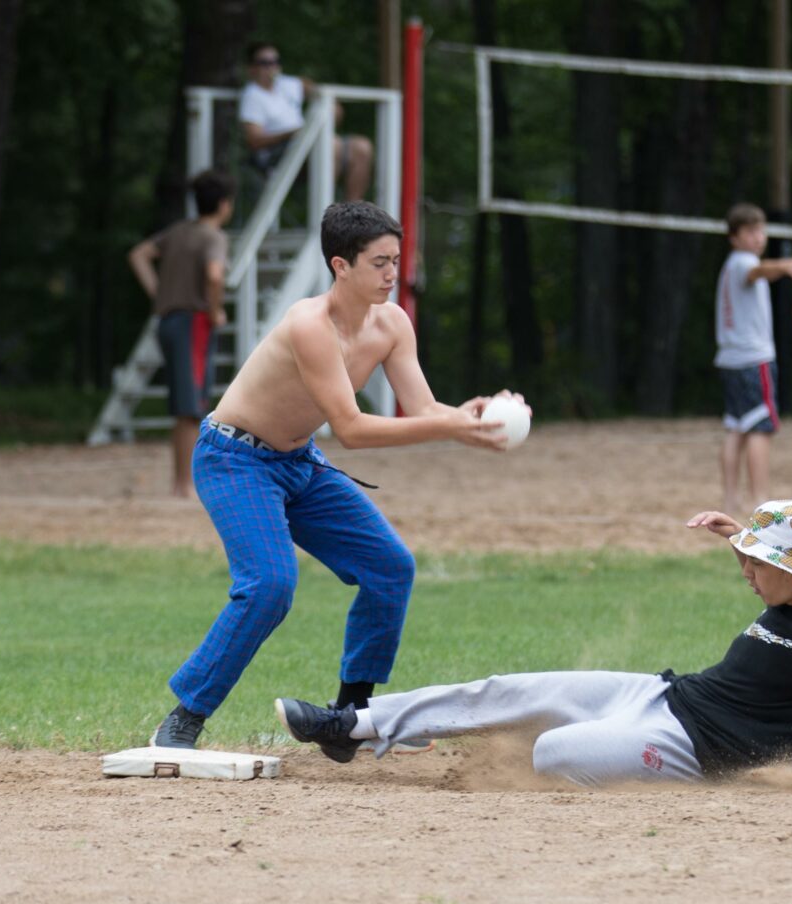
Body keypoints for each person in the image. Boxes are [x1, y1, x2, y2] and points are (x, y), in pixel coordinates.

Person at [150, 200, 521, 752]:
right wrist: (450, 430)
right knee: (269, 586)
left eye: (395, 260)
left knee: (390, 568)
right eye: (378, 262)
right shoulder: (309, 325)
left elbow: (420, 406)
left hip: (298, 462)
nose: (392, 274)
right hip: (235, 460)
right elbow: (351, 428)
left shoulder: (392, 323)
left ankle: (350, 718)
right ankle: (184, 717)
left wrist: (473, 415)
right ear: (340, 265)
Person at [275, 499, 792, 790]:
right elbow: (791, 563)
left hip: (691, 750)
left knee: (552, 752)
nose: (745, 570)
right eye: (743, 558)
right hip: (661, 694)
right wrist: (740, 534)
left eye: (756, 563)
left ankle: (449, 735)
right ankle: (348, 724)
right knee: (509, 691)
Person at [127, 170, 235, 498]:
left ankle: (182, 483)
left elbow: (138, 255)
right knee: (191, 406)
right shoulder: (213, 237)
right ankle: (183, 486)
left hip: (169, 322)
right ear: (222, 204)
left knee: (185, 404)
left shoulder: (177, 232)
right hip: (194, 323)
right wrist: (215, 310)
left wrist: (158, 293)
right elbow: (214, 276)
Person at [714, 203, 792, 514]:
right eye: (750, 231)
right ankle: (760, 498)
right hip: (753, 360)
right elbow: (758, 271)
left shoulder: (730, 264)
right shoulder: (744, 262)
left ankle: (730, 498)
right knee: (760, 429)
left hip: (729, 359)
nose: (758, 237)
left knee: (736, 428)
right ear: (734, 237)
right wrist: (783, 266)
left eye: (761, 230)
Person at [240, 42, 373, 202]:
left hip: (306, 144)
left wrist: (328, 103)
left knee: (362, 147)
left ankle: (353, 212)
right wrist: (293, 133)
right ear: (252, 68)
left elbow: (309, 87)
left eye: (276, 62)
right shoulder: (252, 95)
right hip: (277, 155)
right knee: (331, 144)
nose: (271, 67)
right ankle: (329, 214)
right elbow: (254, 141)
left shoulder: (286, 84)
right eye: (264, 63)